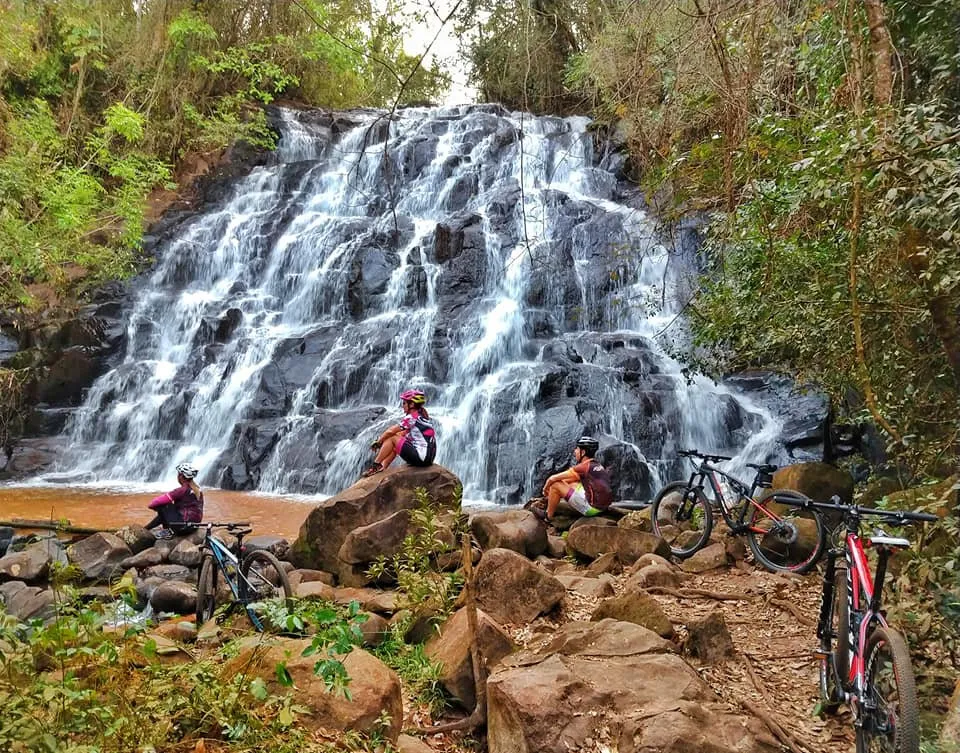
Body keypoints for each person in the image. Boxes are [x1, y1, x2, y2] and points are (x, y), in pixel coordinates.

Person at [361, 389, 437, 478]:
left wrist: (378, 442)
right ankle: (383, 467)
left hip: (421, 458)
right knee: (395, 442)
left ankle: (376, 465)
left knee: (392, 438)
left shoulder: (412, 418)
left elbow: (391, 431)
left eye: (404, 403)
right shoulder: (422, 416)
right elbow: (401, 434)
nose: (402, 406)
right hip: (428, 459)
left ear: (411, 404)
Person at [537, 436, 613, 521]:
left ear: (583, 452)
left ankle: (548, 516)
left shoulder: (582, 467)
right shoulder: (596, 465)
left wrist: (545, 490)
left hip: (592, 509)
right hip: (603, 507)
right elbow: (568, 480)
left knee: (555, 485)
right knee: (571, 482)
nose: (575, 451)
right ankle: (553, 499)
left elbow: (552, 479)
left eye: (577, 449)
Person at [146, 462, 204, 539]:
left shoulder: (181, 490)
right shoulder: (198, 490)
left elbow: (153, 504)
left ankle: (167, 531)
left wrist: (156, 508)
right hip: (193, 527)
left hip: (182, 528)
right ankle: (147, 528)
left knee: (164, 506)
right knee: (169, 509)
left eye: (178, 474)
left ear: (181, 476)